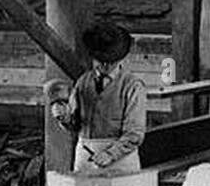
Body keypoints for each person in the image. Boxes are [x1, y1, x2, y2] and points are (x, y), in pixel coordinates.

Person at [50, 21, 147, 174]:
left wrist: (111, 154)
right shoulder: (83, 82)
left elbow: (134, 133)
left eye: (111, 63)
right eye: (100, 61)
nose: (105, 67)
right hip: (85, 155)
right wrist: (64, 118)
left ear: (120, 59)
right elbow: (76, 125)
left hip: (121, 159)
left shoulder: (132, 86)